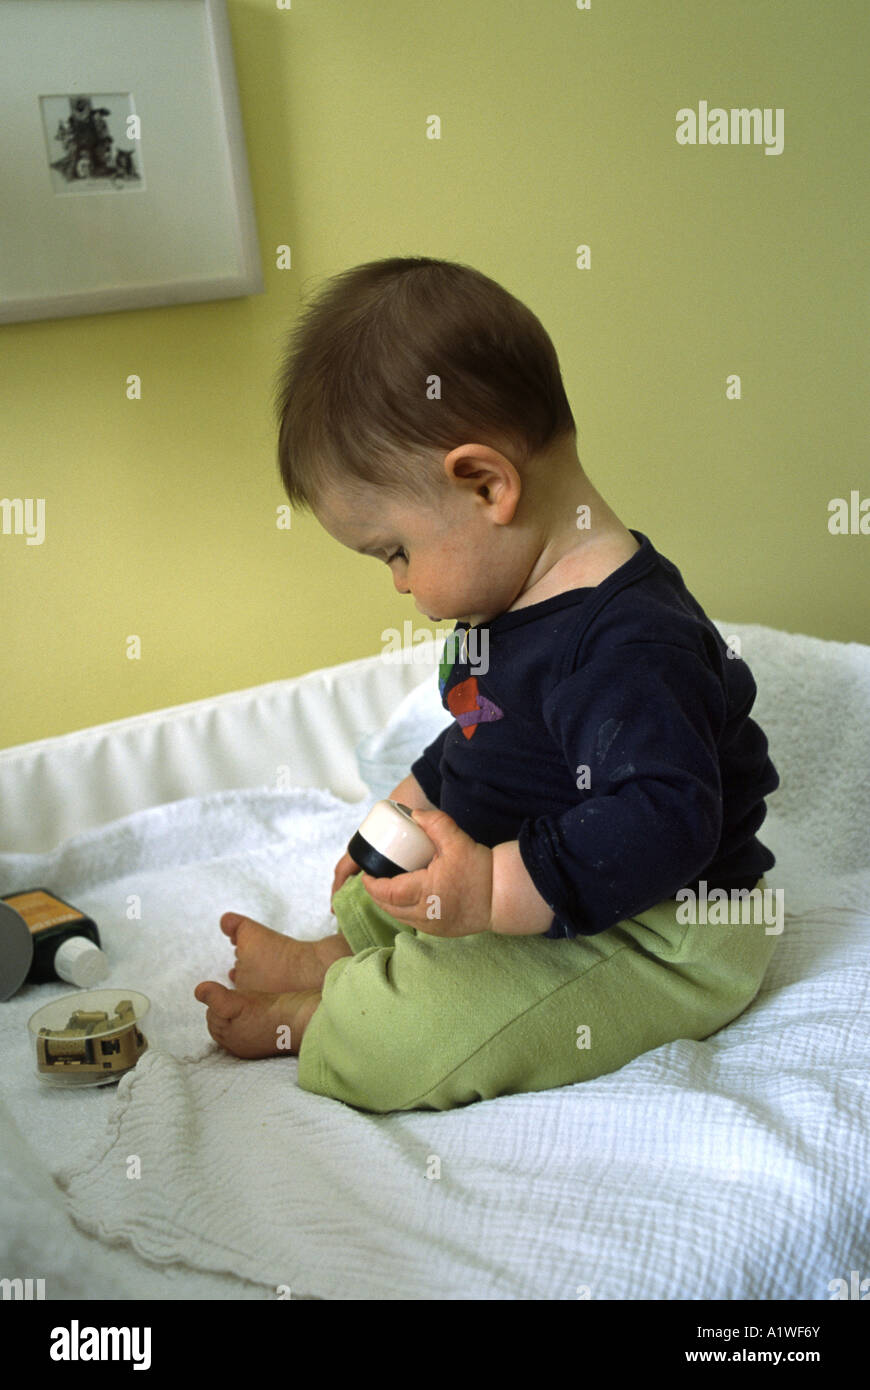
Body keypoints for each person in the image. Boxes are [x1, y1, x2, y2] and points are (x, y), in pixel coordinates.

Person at [195, 256, 780, 1112]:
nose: (397, 583)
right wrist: (403, 810)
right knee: (416, 884)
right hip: (547, 874)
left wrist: (491, 890)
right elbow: (481, 739)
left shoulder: (630, 642)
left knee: (425, 1029)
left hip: (666, 927)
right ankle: (336, 957)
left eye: (395, 552)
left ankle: (329, 1015)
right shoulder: (505, 603)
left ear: (486, 484)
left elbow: (664, 818)